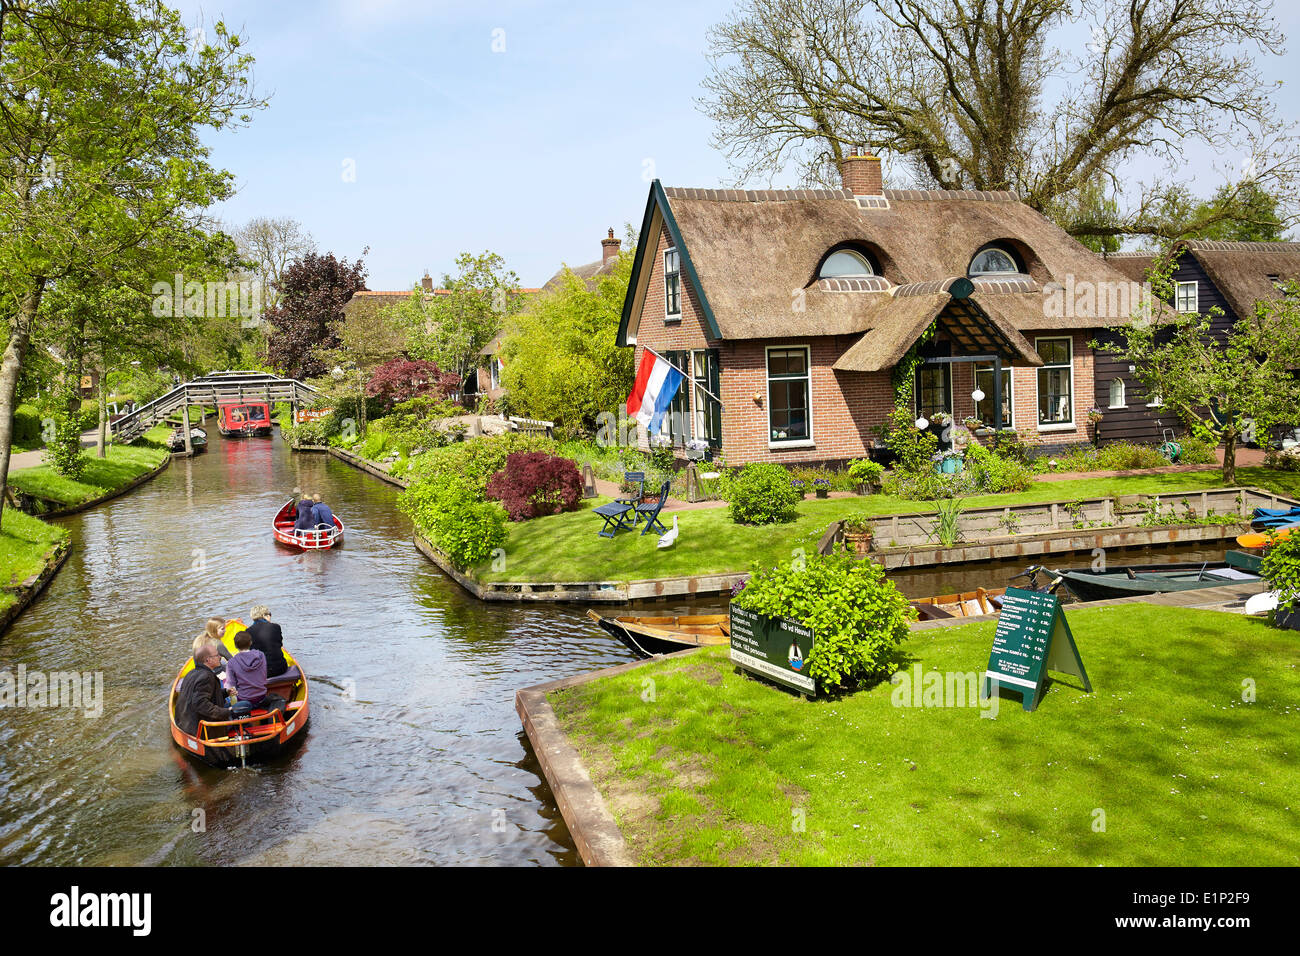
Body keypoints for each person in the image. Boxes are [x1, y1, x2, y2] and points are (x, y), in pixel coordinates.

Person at [175, 639, 234, 737]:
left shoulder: (191, 673)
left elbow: (204, 696)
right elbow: (201, 704)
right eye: (217, 655)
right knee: (244, 708)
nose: (220, 657)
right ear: (208, 660)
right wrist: (227, 712)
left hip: (185, 725)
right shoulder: (206, 676)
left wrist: (226, 692)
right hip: (199, 730)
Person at [226, 630, 286, 714]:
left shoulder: (231, 662)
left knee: (225, 692)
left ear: (235, 646)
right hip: (261, 698)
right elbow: (263, 674)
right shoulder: (261, 655)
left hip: (244, 701)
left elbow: (231, 685)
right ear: (250, 643)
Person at [245, 605, 287, 678]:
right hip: (281, 668)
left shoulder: (247, 632)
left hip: (261, 672)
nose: (270, 616)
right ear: (264, 615)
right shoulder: (276, 627)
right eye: (269, 614)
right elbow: (280, 644)